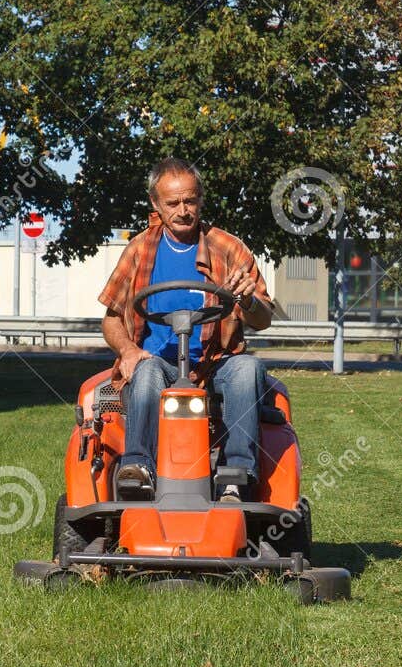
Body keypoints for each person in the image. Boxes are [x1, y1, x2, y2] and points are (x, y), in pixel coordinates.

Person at [98, 157, 272, 501]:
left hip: (216, 363)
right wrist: (129, 351)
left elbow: (263, 318)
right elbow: (111, 318)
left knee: (249, 368)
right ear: (155, 204)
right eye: (172, 203)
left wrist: (249, 300)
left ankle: (235, 474)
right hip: (159, 362)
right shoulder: (139, 250)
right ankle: (138, 470)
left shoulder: (229, 248)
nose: (183, 211)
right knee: (144, 371)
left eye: (190, 200)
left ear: (201, 198)